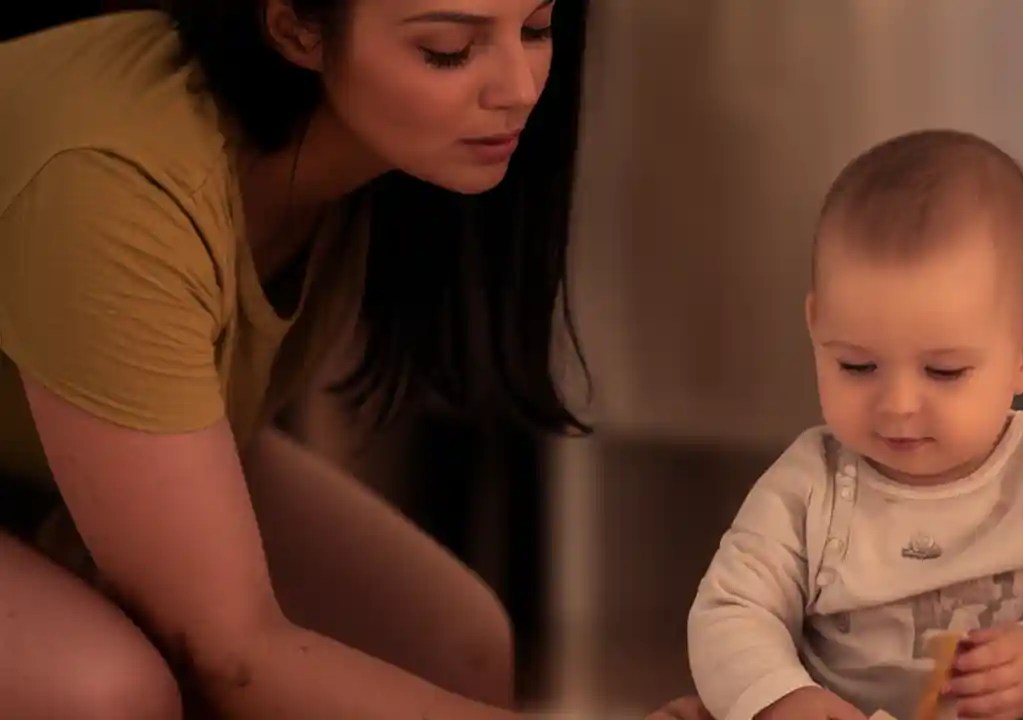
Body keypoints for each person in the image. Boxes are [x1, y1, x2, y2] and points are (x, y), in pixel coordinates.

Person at [0, 2, 705, 718]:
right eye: (449, 49)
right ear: (296, 29)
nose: (519, 88)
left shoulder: (382, 156)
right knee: (100, 693)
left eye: (536, 29)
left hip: (43, 452)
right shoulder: (114, 178)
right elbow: (231, 652)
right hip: (33, 458)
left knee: (453, 643)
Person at [686, 130, 1023, 720]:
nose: (896, 405)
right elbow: (731, 610)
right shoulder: (808, 482)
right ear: (816, 327)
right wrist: (783, 698)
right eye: (857, 365)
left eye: (944, 371)